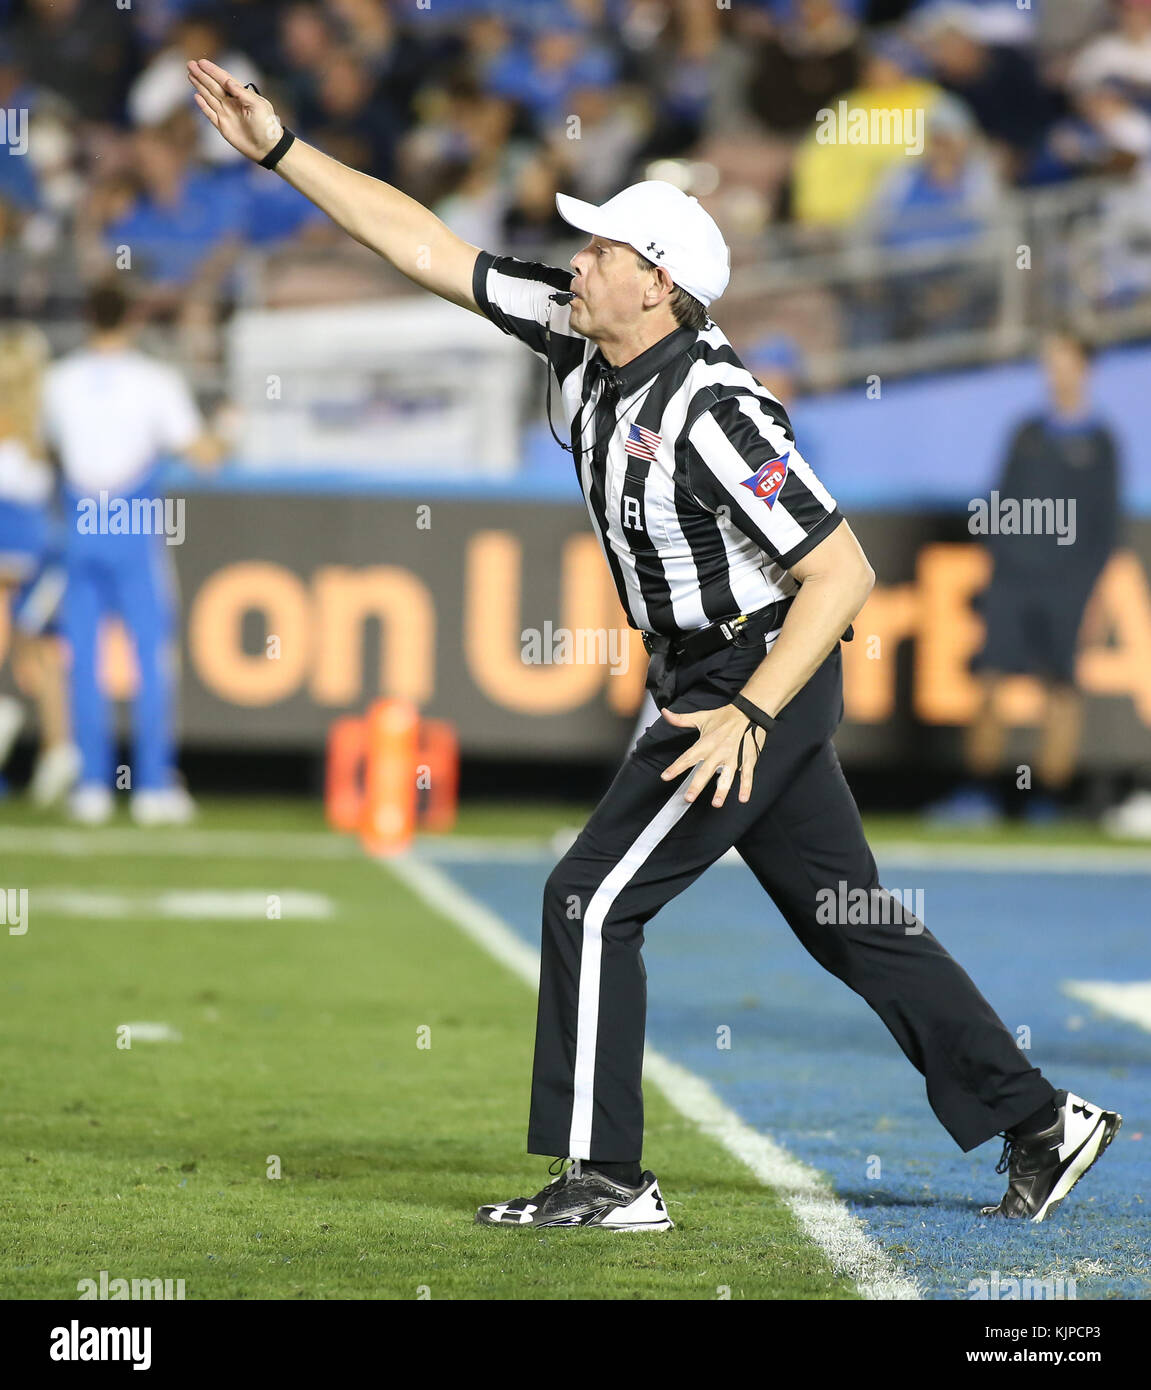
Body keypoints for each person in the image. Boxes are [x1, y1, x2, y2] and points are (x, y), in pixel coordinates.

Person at [186, 57, 1122, 1228]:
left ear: (661, 285)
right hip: (705, 673)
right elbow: (421, 244)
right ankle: (1037, 1116)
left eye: (603, 253)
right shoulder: (585, 341)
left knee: (589, 898)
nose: (576, 261)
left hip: (748, 676)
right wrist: (282, 151)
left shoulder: (717, 407)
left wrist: (749, 711)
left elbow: (839, 572)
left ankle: (608, 1176)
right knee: (852, 923)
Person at [41, 282, 221, 826]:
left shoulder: (59, 380)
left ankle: (93, 786)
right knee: (151, 661)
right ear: (134, 319)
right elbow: (202, 453)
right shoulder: (154, 381)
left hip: (80, 525)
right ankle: (150, 785)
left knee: (84, 663)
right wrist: (228, 431)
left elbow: (48, 448)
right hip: (133, 529)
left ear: (86, 317)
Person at [930, 330, 1121, 826]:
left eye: (1063, 359)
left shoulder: (1102, 444)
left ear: (1084, 366)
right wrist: (997, 563)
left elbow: (1105, 527)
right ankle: (979, 794)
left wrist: (1093, 593)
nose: (1055, 370)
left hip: (1069, 586)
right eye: (1049, 360)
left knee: (1060, 687)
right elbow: (1000, 502)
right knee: (990, 679)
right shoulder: (1027, 433)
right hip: (1013, 580)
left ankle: (1050, 800)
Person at [0, 322, 77, 805]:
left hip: (35, 560)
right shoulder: (41, 433)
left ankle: (57, 748)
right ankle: (57, 749)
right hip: (41, 559)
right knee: (35, 654)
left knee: (32, 651)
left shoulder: (32, 436)